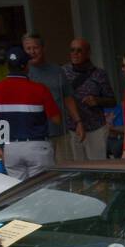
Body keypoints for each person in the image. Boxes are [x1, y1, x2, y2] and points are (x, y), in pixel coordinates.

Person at [0, 46, 59, 179]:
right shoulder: (40, 89)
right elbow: (56, 119)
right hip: (37, 146)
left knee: (20, 193)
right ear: (26, 67)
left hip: (10, 148)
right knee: (43, 191)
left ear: (7, 66)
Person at [22, 33, 82, 164]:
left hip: (59, 131)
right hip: (34, 136)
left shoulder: (57, 70)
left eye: (36, 48)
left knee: (66, 172)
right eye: (28, 48)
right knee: (41, 174)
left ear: (43, 48)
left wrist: (78, 121)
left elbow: (68, 97)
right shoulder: (22, 73)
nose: (32, 52)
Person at [63, 38, 117, 161]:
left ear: (88, 53)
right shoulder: (63, 72)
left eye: (79, 51)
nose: (75, 54)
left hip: (95, 128)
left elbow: (112, 100)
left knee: (98, 168)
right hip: (72, 128)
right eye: (72, 50)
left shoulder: (99, 74)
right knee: (76, 169)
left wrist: (97, 100)